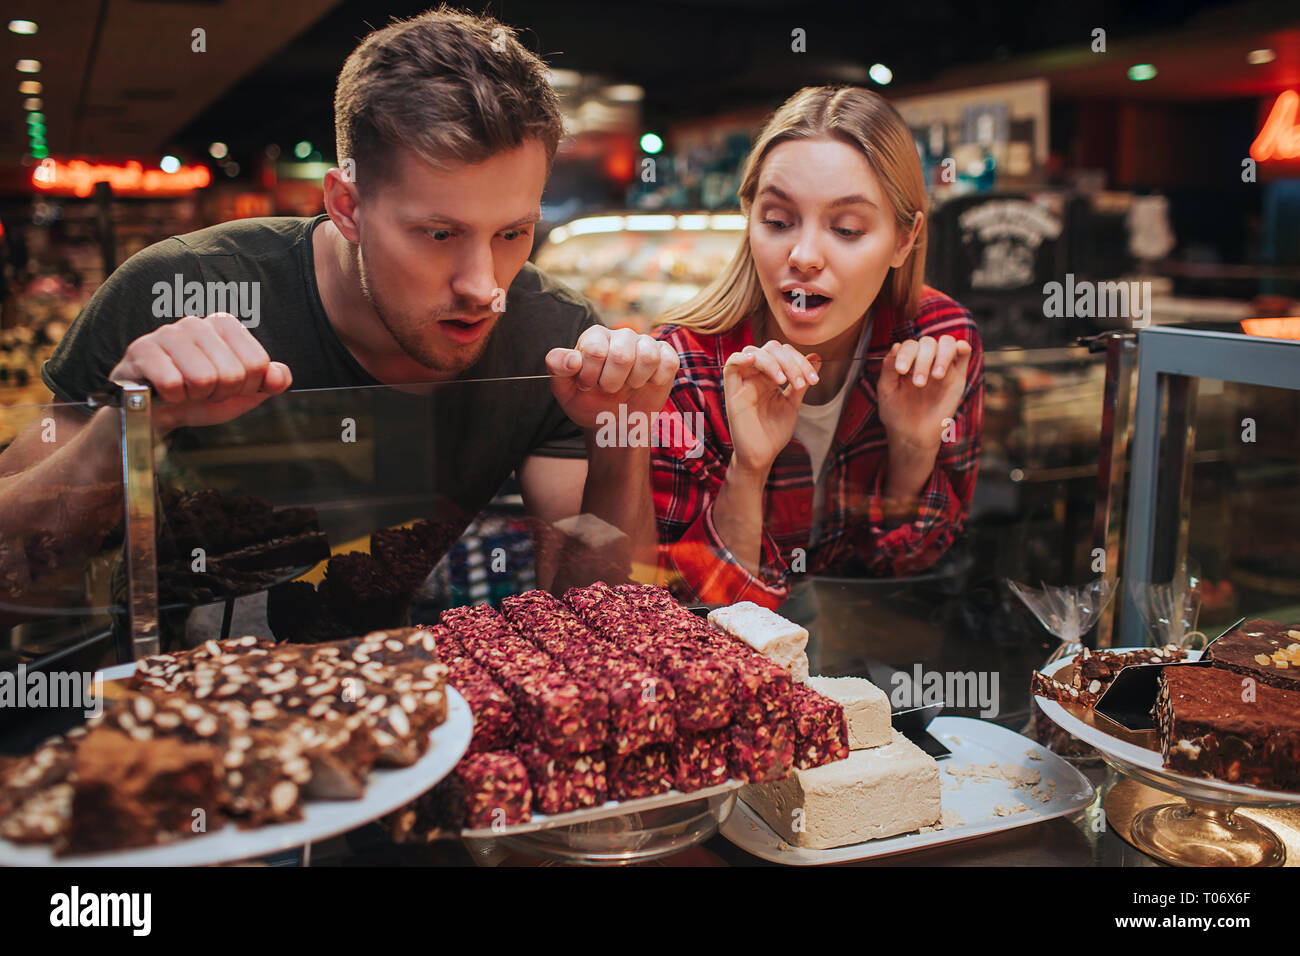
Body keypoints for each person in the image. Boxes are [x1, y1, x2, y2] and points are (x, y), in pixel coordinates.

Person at [0, 7, 676, 622]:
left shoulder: (556, 333)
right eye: (438, 234)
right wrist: (128, 426)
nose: (484, 287)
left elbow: (598, 620)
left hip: (402, 707)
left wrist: (620, 438)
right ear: (347, 207)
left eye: (512, 233)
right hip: (185, 713)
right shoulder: (176, 289)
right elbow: (20, 567)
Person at [650, 86, 984, 627]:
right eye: (779, 221)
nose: (803, 256)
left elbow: (910, 573)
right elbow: (688, 611)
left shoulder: (940, 339)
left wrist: (913, 451)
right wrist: (748, 471)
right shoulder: (681, 364)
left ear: (905, 239)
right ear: (748, 216)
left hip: (871, 651)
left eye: (846, 229)